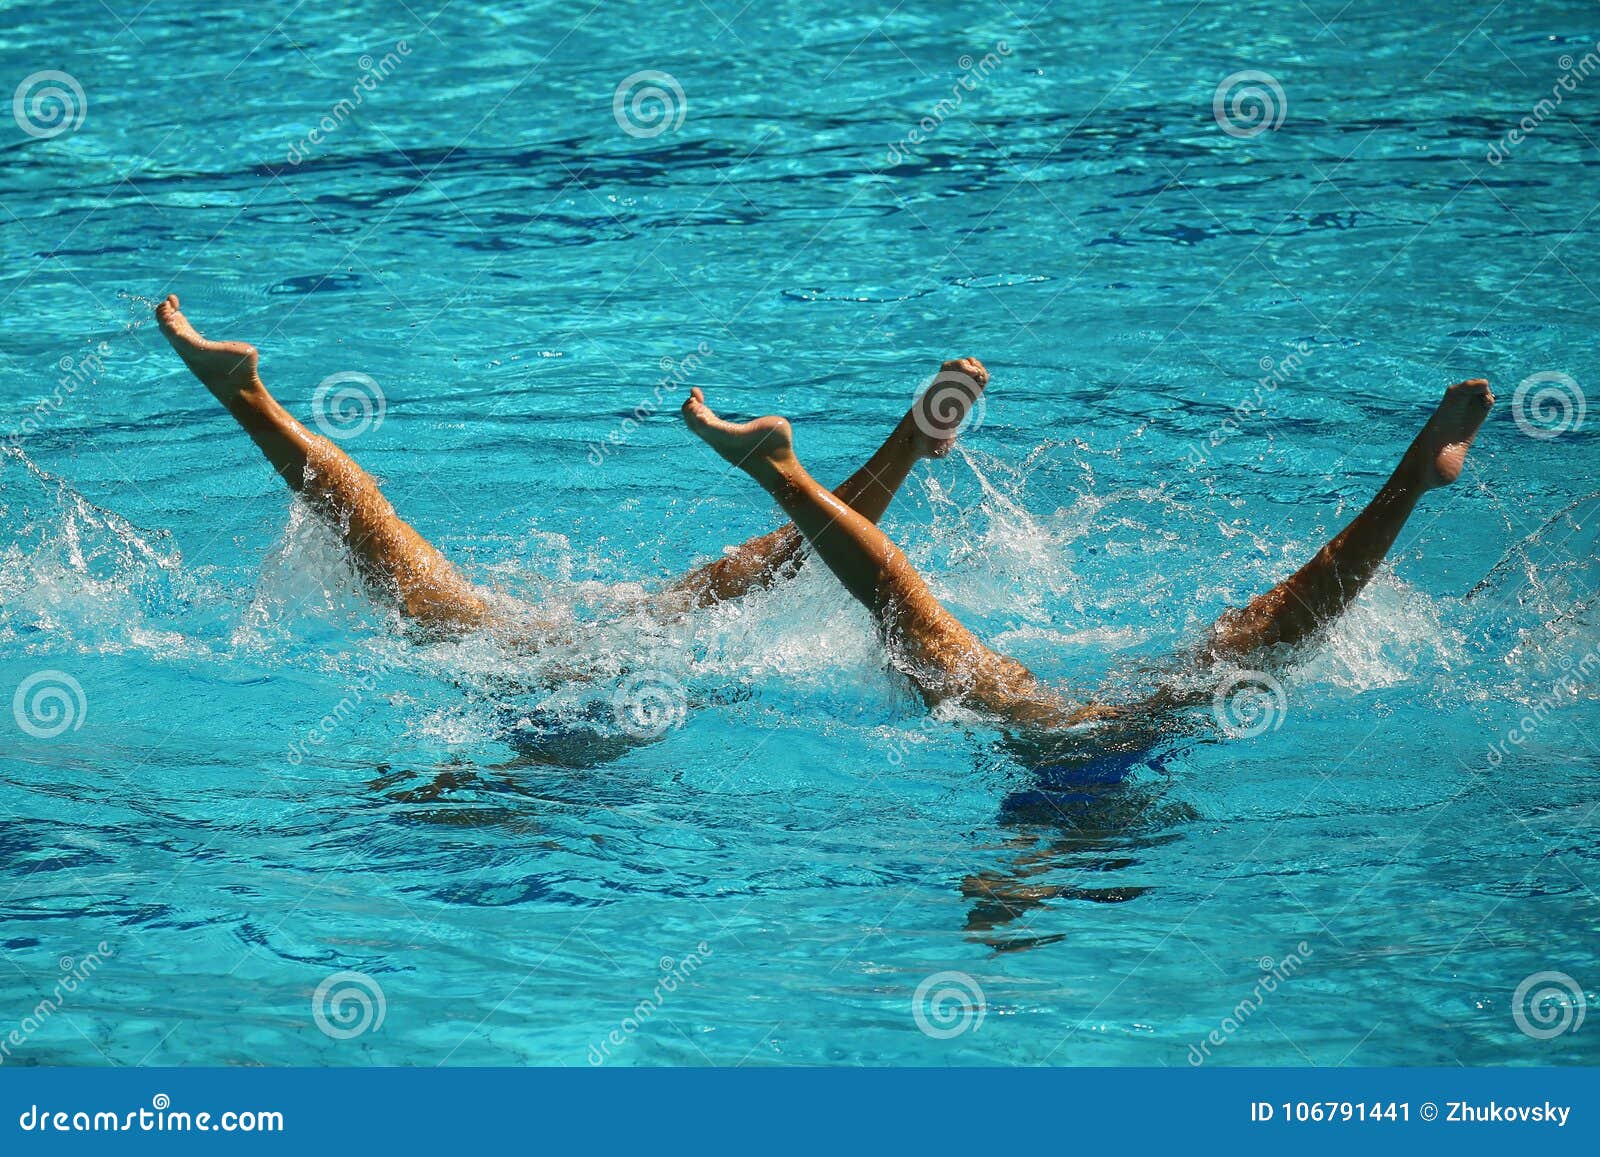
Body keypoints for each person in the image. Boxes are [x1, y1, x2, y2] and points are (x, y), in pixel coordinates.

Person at [680, 373, 1495, 753]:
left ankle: (1411, 480)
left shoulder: (1083, 790)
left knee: (1273, 632)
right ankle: (784, 472)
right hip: (1083, 723)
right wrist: (1007, 896)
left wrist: (1012, 891)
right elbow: (1028, 859)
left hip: (1114, 715)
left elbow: (1031, 858)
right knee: (906, 614)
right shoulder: (1067, 799)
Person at [150, 295, 984, 642]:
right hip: (572, 653)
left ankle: (247, 396)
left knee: (379, 532)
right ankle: (903, 443)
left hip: (556, 642)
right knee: (771, 562)